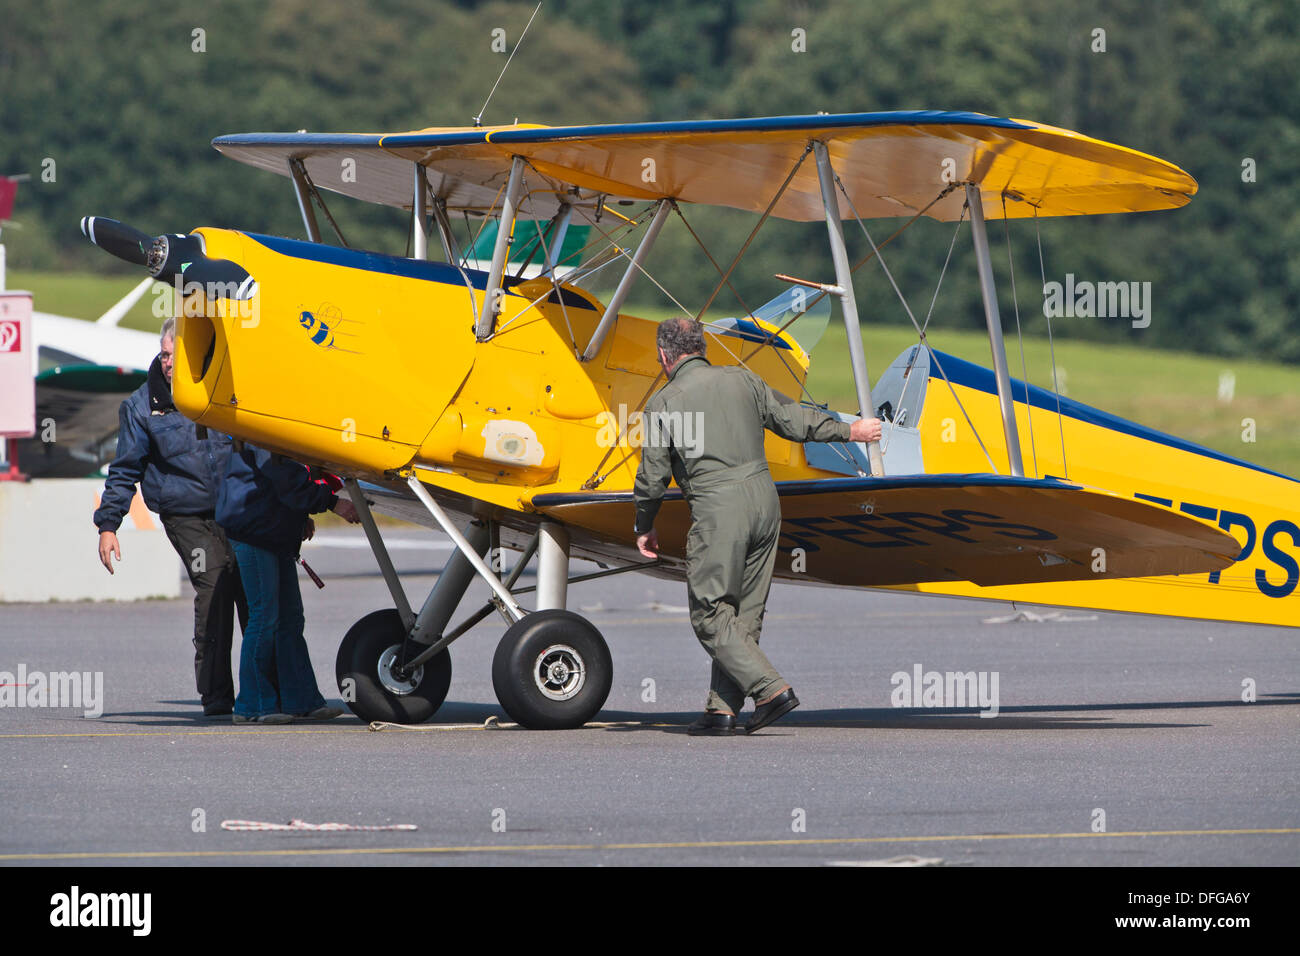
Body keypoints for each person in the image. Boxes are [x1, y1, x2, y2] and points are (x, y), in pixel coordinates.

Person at [633, 318, 882, 735]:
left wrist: (645, 523)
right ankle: (722, 710)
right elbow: (793, 421)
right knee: (744, 614)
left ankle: (771, 691)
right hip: (765, 500)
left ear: (663, 357)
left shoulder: (663, 404)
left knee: (710, 614)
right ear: (701, 347)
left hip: (718, 508)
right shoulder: (743, 380)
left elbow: (652, 477)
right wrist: (850, 430)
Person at [95, 317, 247, 717]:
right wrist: (108, 524)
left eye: (174, 354)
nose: (167, 362)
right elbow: (125, 469)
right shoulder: (140, 406)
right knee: (215, 581)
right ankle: (217, 697)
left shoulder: (226, 386)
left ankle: (268, 693)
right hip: (185, 514)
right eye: (163, 354)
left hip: (237, 509)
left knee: (255, 592)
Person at [216, 441, 359, 724]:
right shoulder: (262, 428)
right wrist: (333, 502)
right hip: (254, 531)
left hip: (273, 529)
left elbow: (281, 479)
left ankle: (301, 700)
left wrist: (299, 516)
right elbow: (283, 477)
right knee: (264, 618)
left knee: (290, 619)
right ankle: (252, 705)